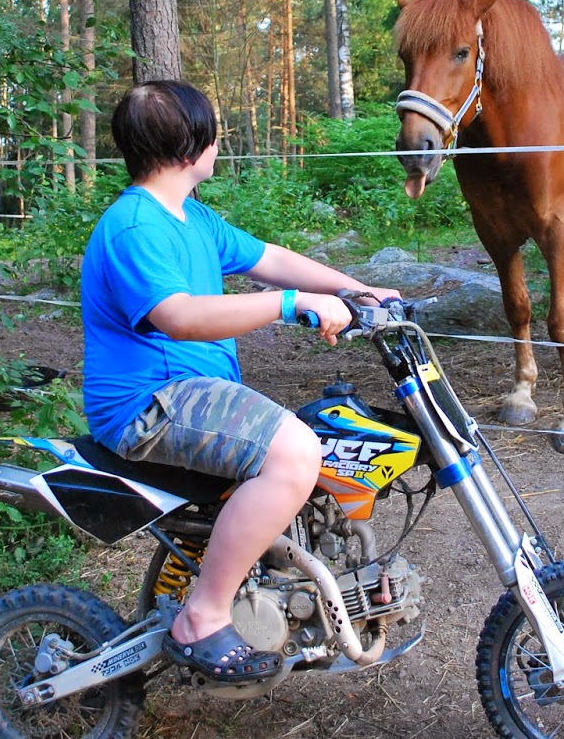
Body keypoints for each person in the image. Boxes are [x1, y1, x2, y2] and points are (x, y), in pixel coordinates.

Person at [81, 80, 399, 685]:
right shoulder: (133, 227)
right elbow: (178, 315)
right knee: (295, 450)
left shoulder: (190, 216)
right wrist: (287, 305)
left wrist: (353, 289)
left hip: (192, 395)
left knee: (321, 439)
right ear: (191, 145)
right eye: (213, 128)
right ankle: (202, 616)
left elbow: (269, 257)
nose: (219, 139)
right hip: (152, 404)